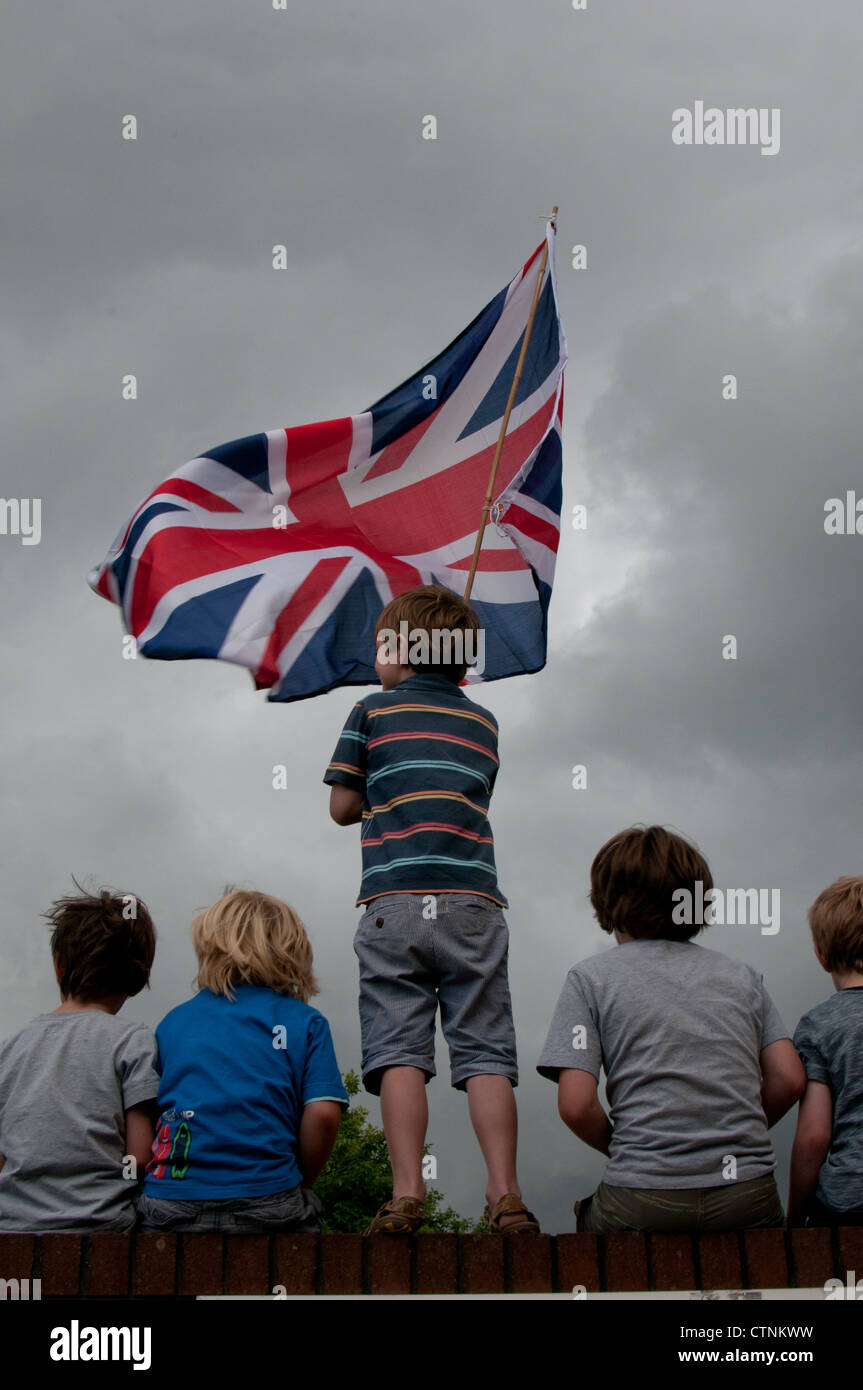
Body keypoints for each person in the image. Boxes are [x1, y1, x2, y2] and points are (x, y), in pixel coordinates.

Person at [324, 583, 537, 1235]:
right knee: (484, 1050)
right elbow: (463, 790)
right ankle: (505, 1193)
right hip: (474, 902)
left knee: (397, 1049)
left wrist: (379, 793)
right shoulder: (484, 723)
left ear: (398, 649)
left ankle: (407, 1192)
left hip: (393, 902)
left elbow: (339, 809)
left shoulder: (369, 711)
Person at [537, 825, 805, 1232]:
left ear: (608, 901)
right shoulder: (743, 977)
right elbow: (788, 1078)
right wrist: (736, 1136)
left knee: (589, 1223)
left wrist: (632, 1150)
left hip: (640, 1196)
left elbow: (575, 1106)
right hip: (747, 1194)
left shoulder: (589, 980)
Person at [136, 888, 346, 1234]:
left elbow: (152, 1110)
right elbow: (323, 1114)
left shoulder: (173, 1023)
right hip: (269, 1198)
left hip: (170, 1200)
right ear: (292, 950)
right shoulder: (305, 1022)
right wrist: (299, 1181)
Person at [0, 884, 159, 1232]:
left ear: (59, 967)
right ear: (138, 979)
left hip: (13, 1230)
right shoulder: (134, 1042)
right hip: (104, 1226)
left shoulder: (9, 1050)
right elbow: (141, 1155)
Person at [788, 876, 863, 1226]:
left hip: (851, 1200)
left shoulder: (818, 1025)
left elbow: (814, 1136)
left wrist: (795, 1216)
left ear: (820, 955)